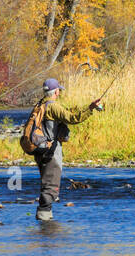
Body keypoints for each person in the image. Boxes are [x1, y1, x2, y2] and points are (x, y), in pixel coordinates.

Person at [33, 77, 103, 221]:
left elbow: (66, 114)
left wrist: (86, 107)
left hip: (40, 150)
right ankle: (45, 222)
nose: (59, 93)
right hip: (50, 151)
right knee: (51, 186)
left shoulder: (40, 105)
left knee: (46, 183)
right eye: (59, 90)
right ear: (56, 91)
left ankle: (45, 220)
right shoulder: (53, 106)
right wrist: (90, 109)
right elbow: (72, 119)